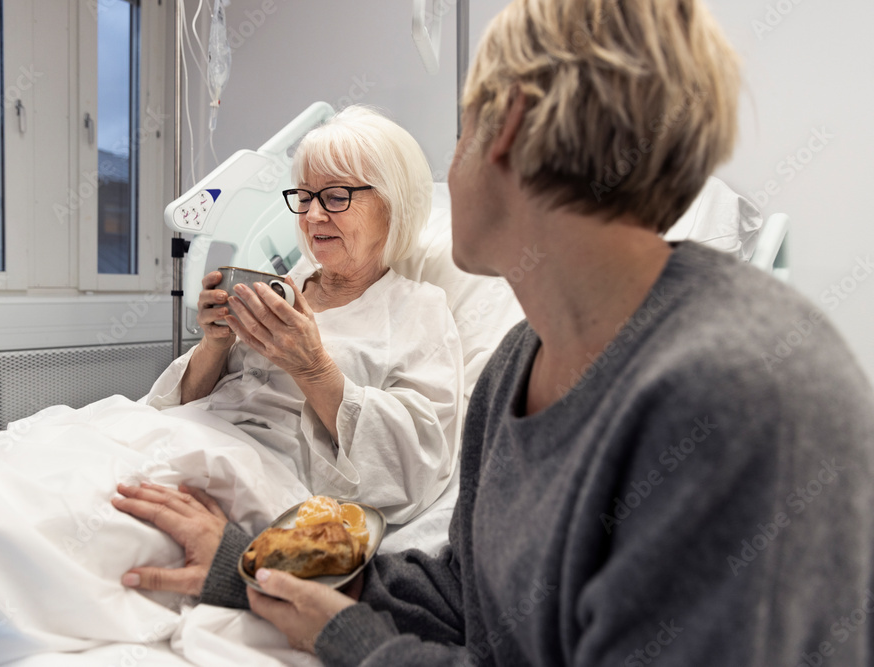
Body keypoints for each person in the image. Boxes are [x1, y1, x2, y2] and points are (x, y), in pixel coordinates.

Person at [116, 0, 874, 664]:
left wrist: (352, 641)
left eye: (462, 127)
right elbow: (468, 596)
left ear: (507, 131)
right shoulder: (519, 364)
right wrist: (248, 568)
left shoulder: (741, 393)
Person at [139, 105, 464, 523]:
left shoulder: (418, 310)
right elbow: (171, 404)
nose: (312, 216)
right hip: (179, 436)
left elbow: (416, 462)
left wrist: (312, 369)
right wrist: (215, 344)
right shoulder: (282, 287)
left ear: (391, 204)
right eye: (306, 196)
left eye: (334, 196)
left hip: (255, 475)